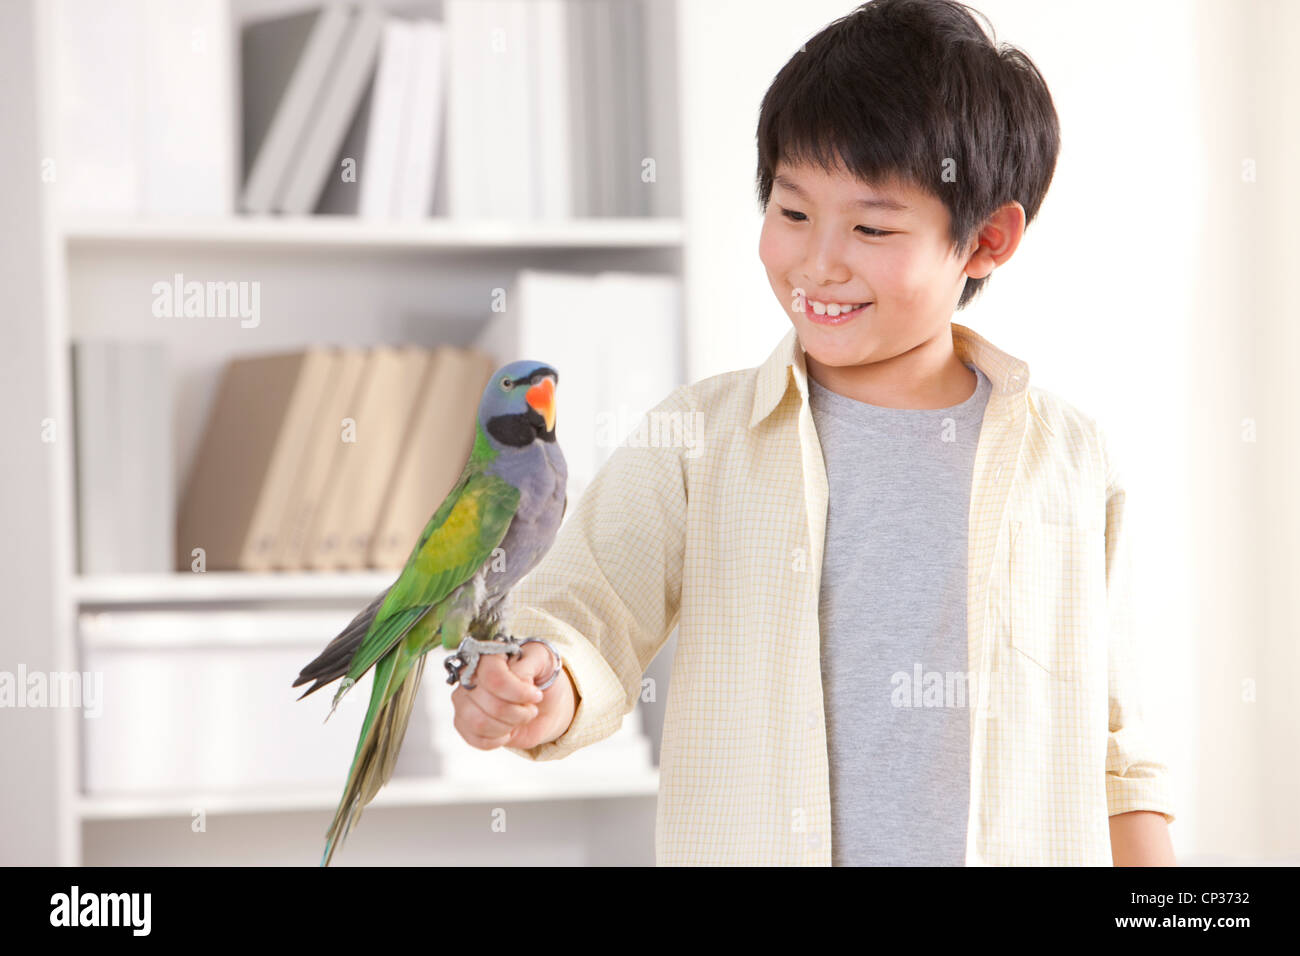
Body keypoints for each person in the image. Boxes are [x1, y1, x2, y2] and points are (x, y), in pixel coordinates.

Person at [450, 0, 1176, 866]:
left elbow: (1122, 756)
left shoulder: (1072, 460)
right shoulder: (697, 440)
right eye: (793, 212)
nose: (819, 262)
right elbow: (586, 613)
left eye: (872, 227)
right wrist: (540, 686)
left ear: (986, 240)